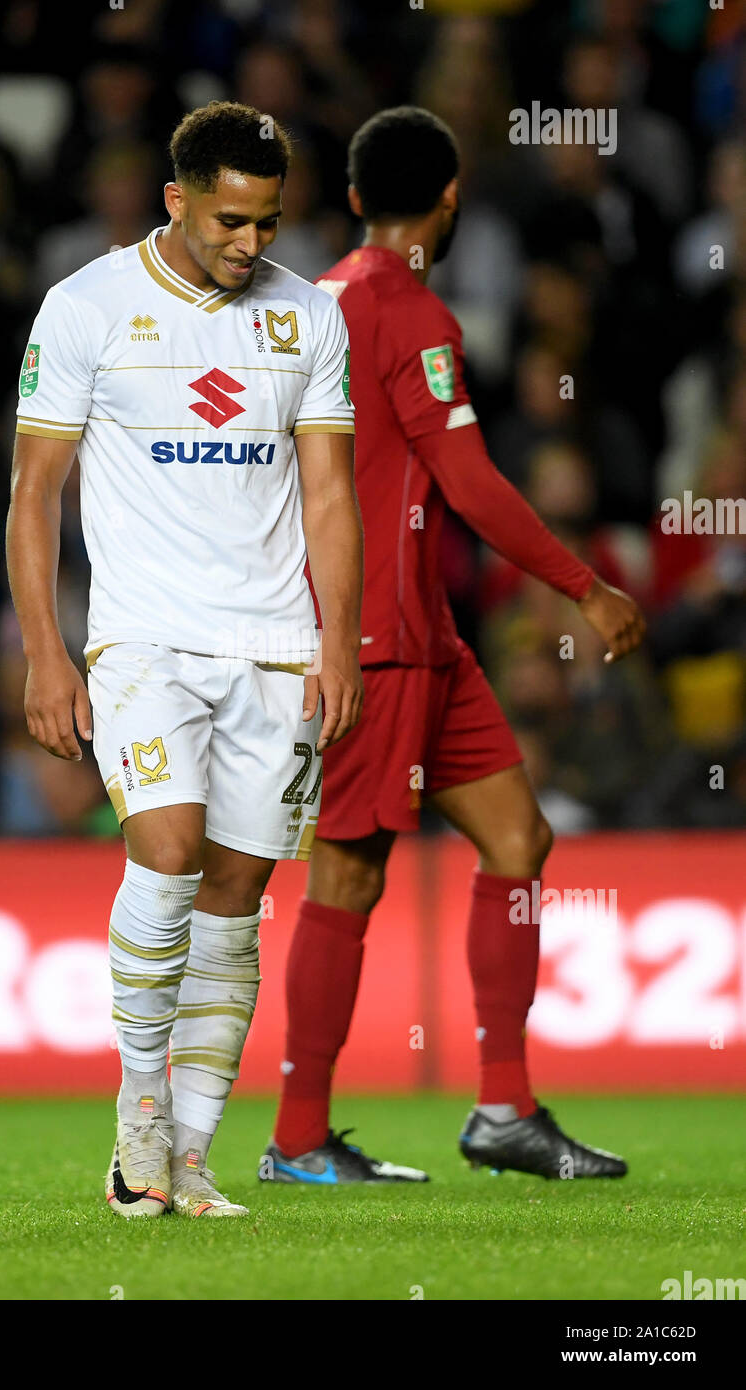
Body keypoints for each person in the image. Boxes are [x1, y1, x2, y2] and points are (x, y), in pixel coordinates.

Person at [262, 107, 645, 1186]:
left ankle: (504, 1107)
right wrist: (585, 586)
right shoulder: (411, 315)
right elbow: (468, 483)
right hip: (376, 637)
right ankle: (296, 1136)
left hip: (420, 634)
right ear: (451, 196)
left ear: (348, 198)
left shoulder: (313, 304)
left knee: (518, 840)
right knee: (345, 872)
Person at [6, 101, 364, 1218]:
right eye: (227, 220)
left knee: (238, 893)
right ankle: (138, 1120)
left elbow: (328, 494)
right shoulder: (88, 305)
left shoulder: (311, 318)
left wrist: (339, 642)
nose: (249, 244)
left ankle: (194, 1155)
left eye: (266, 222)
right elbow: (34, 493)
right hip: (143, 635)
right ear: (176, 199)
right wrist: (44, 654)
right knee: (162, 853)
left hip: (274, 643)